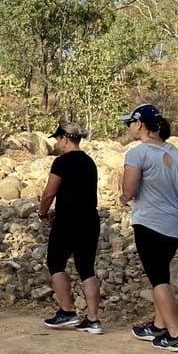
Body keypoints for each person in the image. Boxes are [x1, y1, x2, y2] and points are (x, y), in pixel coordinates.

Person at [120, 105, 178, 352]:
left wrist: (124, 198)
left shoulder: (137, 153)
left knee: (159, 279)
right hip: (176, 223)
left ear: (139, 124)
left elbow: (129, 190)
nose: (128, 127)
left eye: (129, 122)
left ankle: (176, 334)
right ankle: (159, 325)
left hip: (150, 222)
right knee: (161, 274)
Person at [40, 122, 103, 334]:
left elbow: (49, 192)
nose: (58, 143)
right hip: (90, 219)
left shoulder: (61, 162)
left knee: (56, 263)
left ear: (64, 138)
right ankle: (93, 319)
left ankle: (67, 311)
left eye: (58, 139)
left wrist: (43, 212)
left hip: (67, 220)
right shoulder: (89, 162)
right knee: (86, 268)